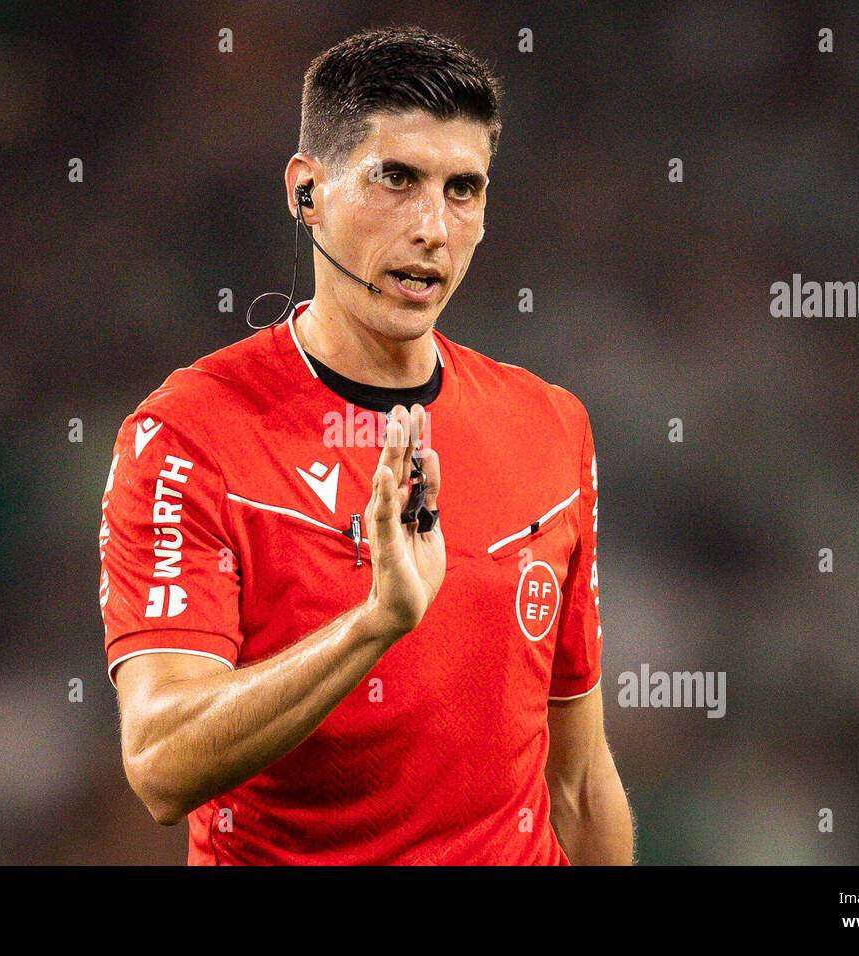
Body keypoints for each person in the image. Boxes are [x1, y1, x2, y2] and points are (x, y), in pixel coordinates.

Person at [99, 25, 633, 864]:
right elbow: (162, 765)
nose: (432, 227)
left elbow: (578, 783)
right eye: (396, 178)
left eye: (464, 189)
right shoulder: (191, 437)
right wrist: (375, 625)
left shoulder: (551, 426)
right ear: (306, 191)